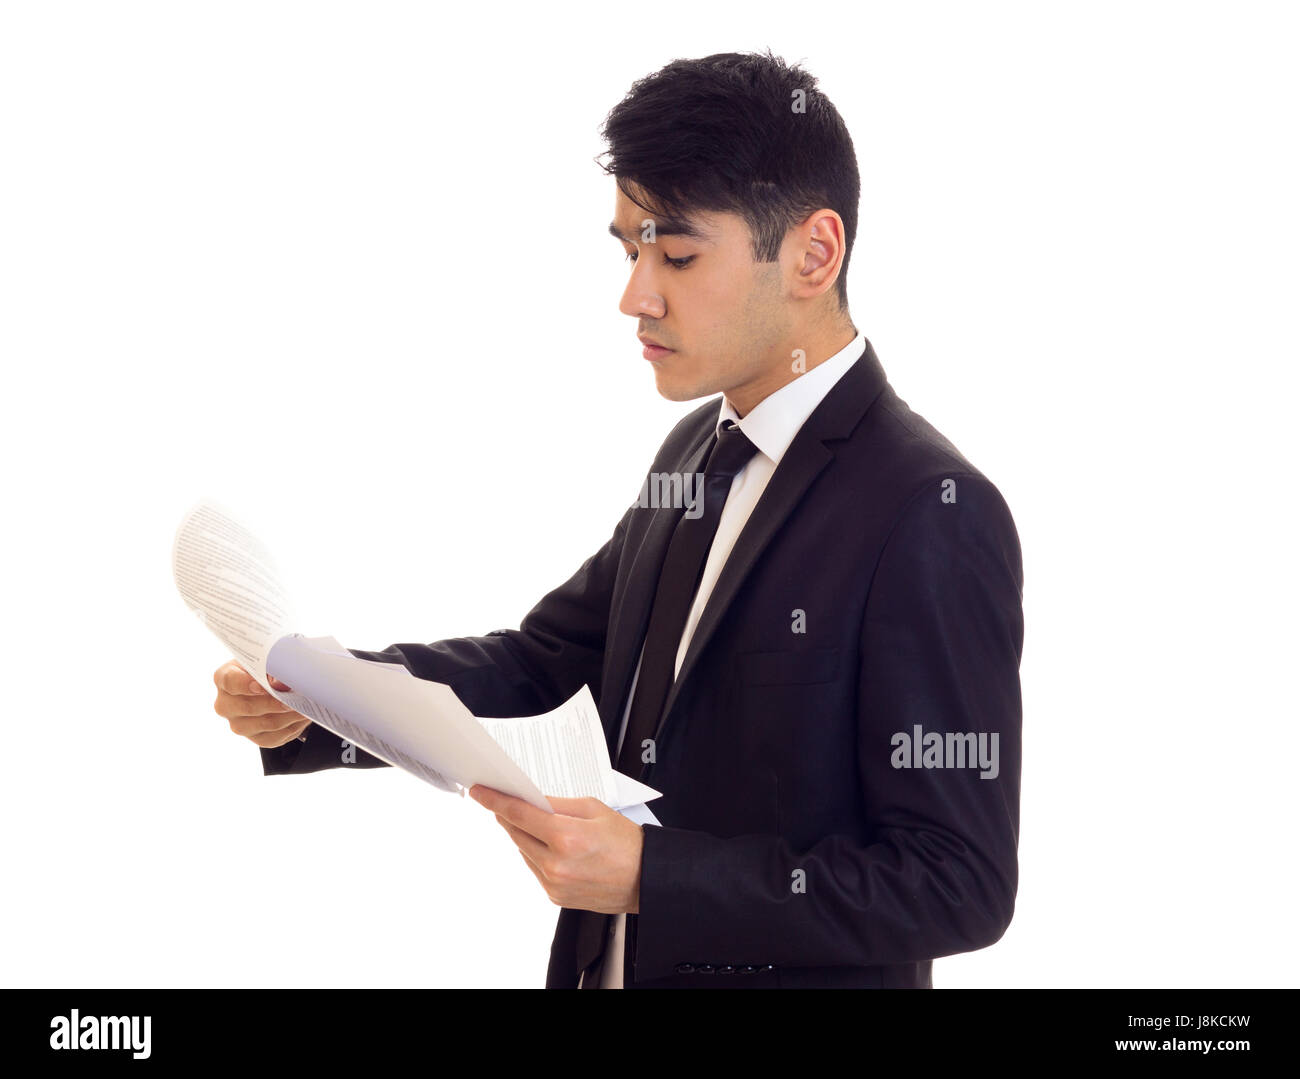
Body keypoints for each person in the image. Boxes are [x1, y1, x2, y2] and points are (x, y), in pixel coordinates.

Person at [212, 49, 1024, 989]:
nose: (636, 294)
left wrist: (654, 874)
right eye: (630, 247)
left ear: (814, 253)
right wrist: (319, 700)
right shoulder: (693, 451)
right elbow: (547, 664)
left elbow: (957, 882)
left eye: (675, 253)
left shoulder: (927, 510)